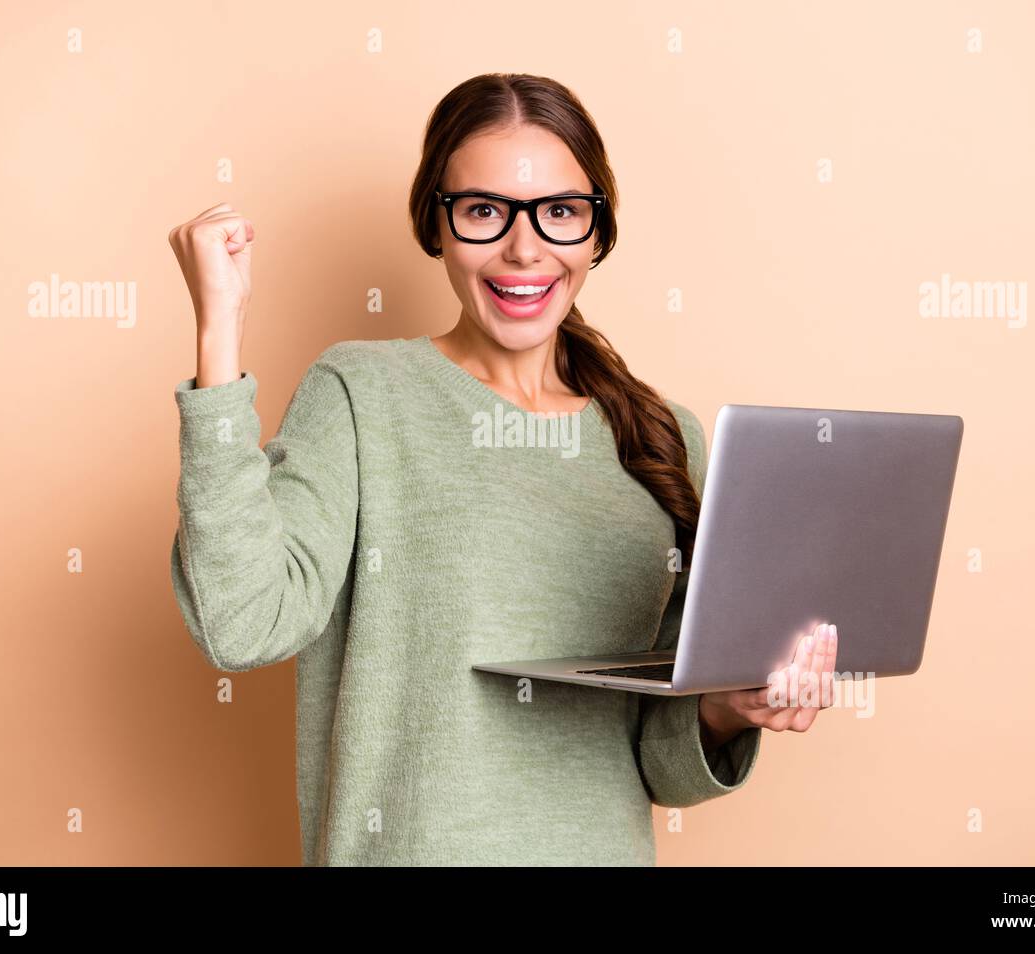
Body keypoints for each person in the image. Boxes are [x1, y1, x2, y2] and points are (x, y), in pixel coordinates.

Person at [166, 72, 838, 866]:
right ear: (436, 224)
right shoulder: (361, 393)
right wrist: (219, 332)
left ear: (597, 232)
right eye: (484, 211)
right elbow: (242, 624)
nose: (525, 247)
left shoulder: (664, 439)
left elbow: (661, 761)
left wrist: (730, 707)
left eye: (560, 212)